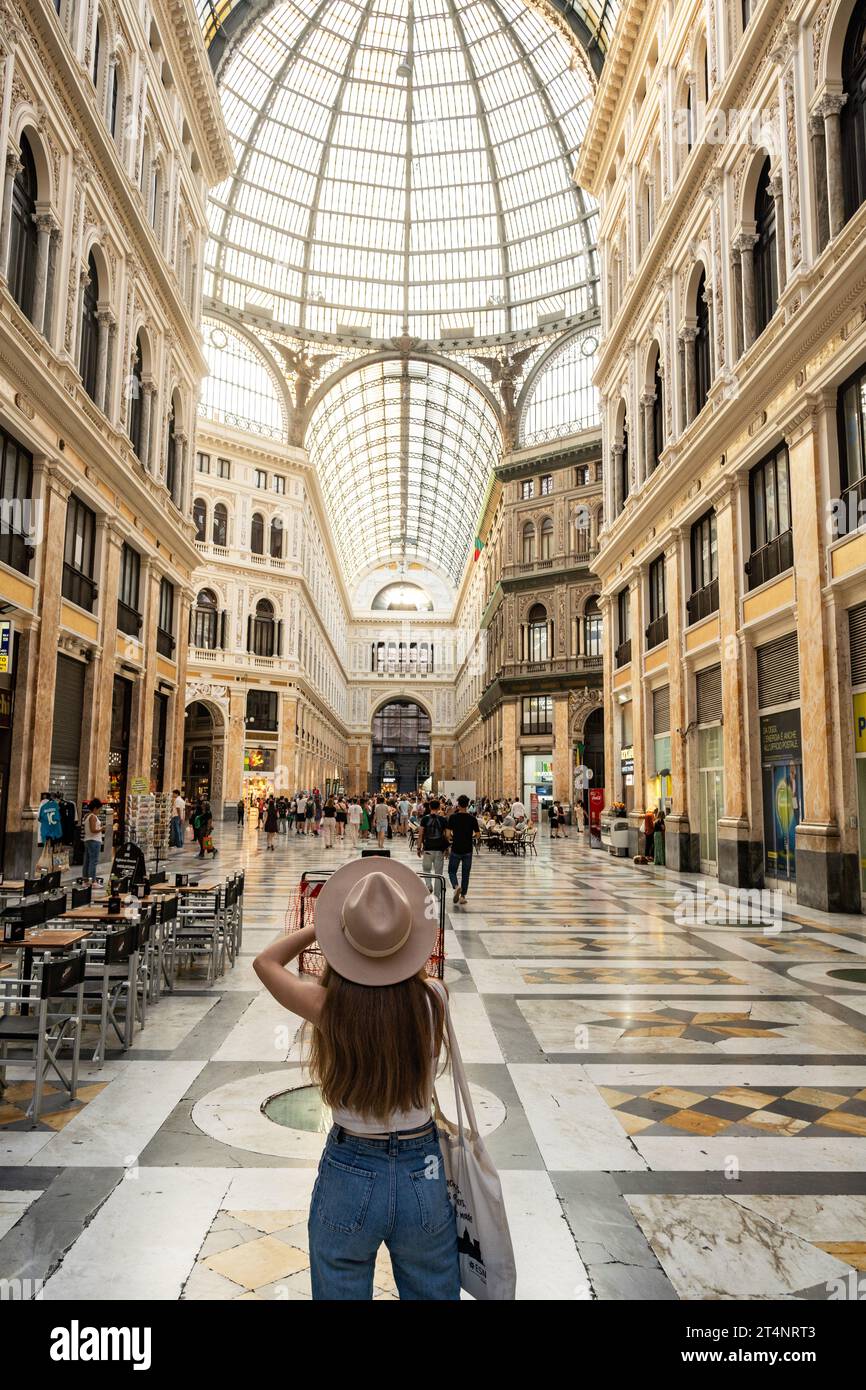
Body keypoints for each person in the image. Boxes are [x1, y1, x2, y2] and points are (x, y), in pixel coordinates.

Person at [253, 859, 458, 1301]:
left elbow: (265, 962)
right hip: (421, 1166)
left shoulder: (329, 1007)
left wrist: (325, 928)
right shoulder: (435, 1000)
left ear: (345, 941)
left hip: (350, 1168)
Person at [446, 794, 479, 906]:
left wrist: (452, 838)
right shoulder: (472, 818)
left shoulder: (453, 817)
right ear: (468, 804)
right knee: (466, 873)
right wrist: (471, 838)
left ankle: (456, 886)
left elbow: (448, 834)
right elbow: (478, 834)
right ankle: (463, 896)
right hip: (468, 849)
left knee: (451, 871)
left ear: (458, 804)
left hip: (456, 848)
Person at [417, 797, 448, 891]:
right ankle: (438, 895)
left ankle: (429, 886)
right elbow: (446, 835)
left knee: (426, 869)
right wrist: (447, 849)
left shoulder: (424, 819)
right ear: (439, 807)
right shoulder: (443, 819)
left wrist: (419, 848)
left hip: (428, 848)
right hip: (439, 849)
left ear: (430, 807)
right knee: (438, 873)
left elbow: (420, 834)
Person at [82, 798, 103, 883]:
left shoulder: (87, 816)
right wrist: (102, 828)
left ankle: (86, 880)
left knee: (87, 861)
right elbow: (93, 830)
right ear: (95, 808)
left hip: (88, 840)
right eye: (99, 809)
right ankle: (92, 881)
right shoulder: (93, 817)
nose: (99, 811)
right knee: (93, 861)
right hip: (94, 841)